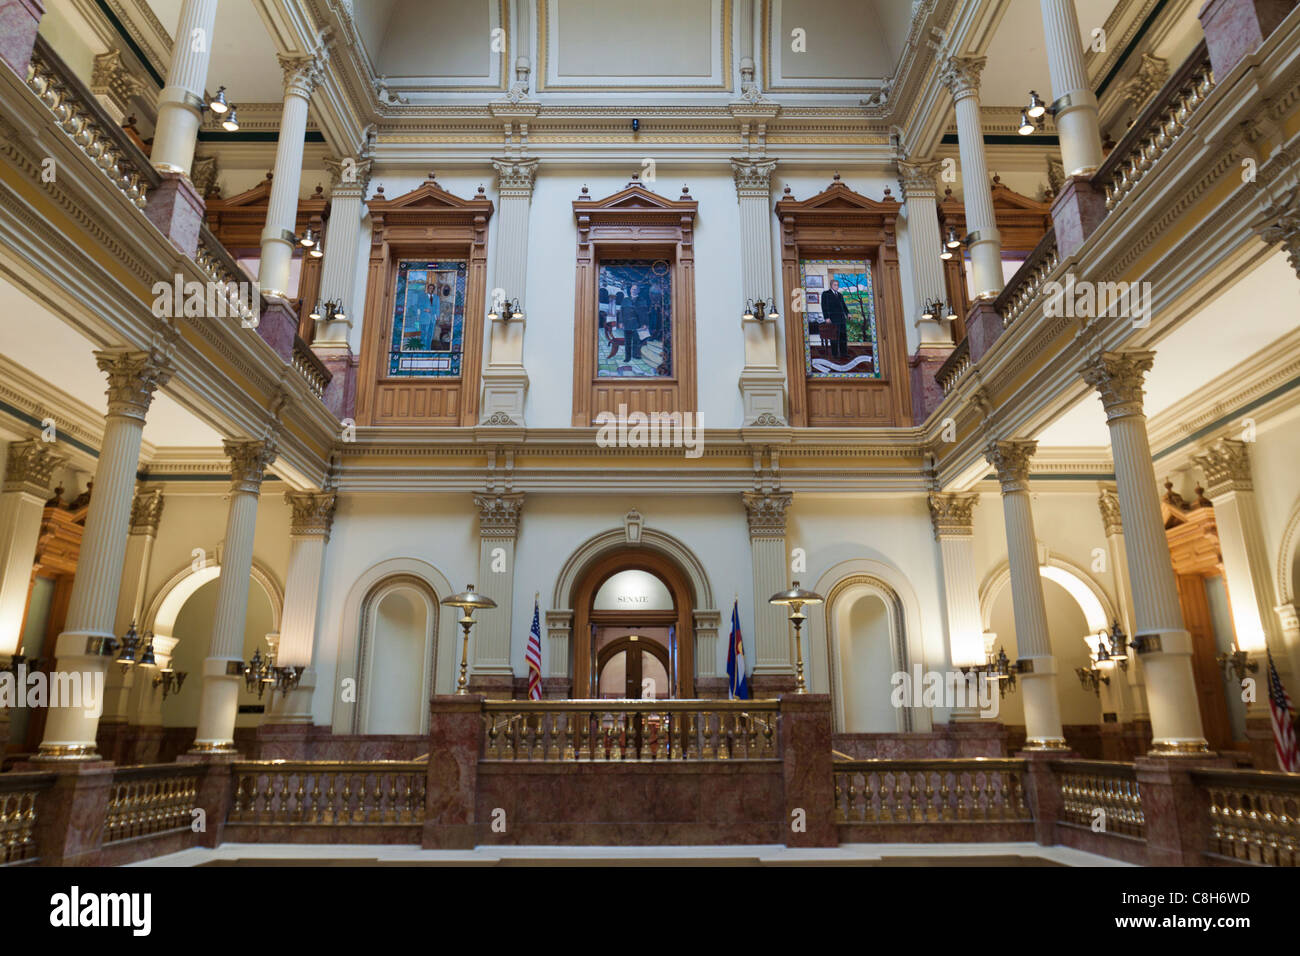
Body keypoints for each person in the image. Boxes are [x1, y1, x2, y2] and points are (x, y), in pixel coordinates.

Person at [820, 278, 850, 359]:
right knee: (834, 337)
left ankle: (844, 353)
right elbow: (824, 306)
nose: (837, 286)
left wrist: (848, 313)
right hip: (832, 319)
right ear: (831, 285)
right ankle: (835, 354)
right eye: (835, 285)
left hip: (841, 319)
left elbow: (843, 305)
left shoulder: (840, 295)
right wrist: (826, 317)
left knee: (843, 336)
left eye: (837, 285)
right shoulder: (825, 294)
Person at [623, 283, 647, 361]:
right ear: (630, 290)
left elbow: (644, 313)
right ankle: (627, 357)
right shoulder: (625, 300)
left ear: (639, 291)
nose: (634, 290)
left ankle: (635, 355)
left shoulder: (642, 300)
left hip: (638, 324)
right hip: (627, 324)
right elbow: (622, 311)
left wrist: (644, 324)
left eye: (636, 289)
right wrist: (620, 322)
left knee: (636, 341)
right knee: (627, 342)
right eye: (633, 289)